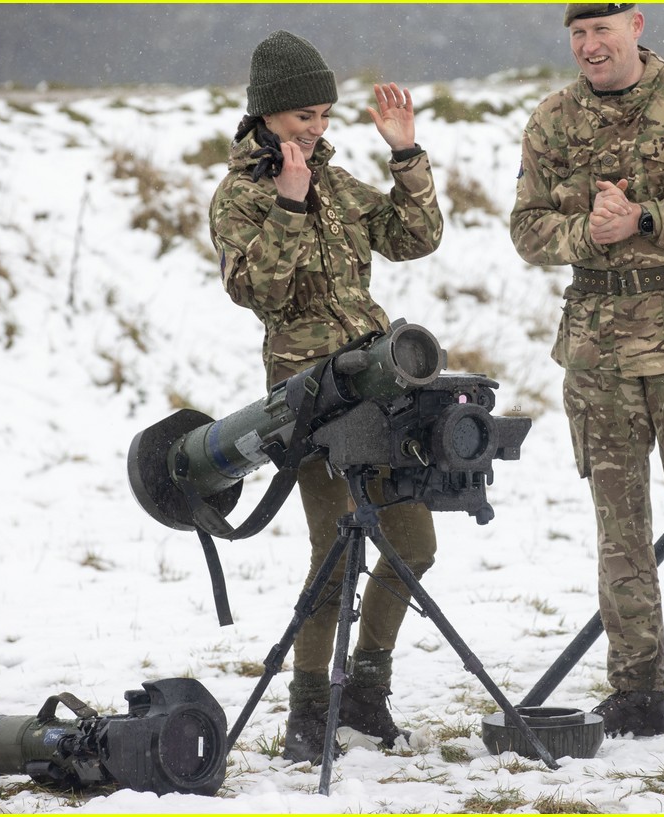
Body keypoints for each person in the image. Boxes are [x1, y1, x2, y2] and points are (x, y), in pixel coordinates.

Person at [510, 3, 664, 745]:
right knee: (619, 529)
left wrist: (645, 218)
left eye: (602, 30)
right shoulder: (552, 120)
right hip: (598, 354)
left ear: (636, 26)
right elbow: (526, 227)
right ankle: (636, 690)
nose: (590, 46)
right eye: (578, 34)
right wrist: (588, 229)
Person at [209, 30, 444, 763]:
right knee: (334, 550)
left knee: (412, 543)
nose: (313, 128)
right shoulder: (239, 196)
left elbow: (416, 237)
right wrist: (286, 202)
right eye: (299, 116)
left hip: (379, 382)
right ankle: (309, 713)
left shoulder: (341, 185)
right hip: (306, 397)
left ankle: (366, 693)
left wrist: (406, 156)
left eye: (322, 113)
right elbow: (256, 290)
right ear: (265, 116)